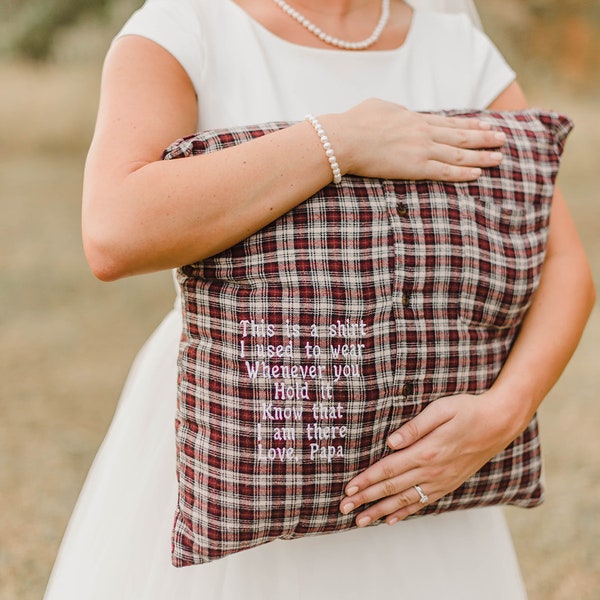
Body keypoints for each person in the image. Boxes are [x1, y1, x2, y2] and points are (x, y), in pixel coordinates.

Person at [44, 0, 595, 598]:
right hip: (244, 434)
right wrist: (338, 142)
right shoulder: (186, 27)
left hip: (430, 474)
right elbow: (114, 233)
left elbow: (564, 263)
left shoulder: (454, 44)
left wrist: (501, 416)